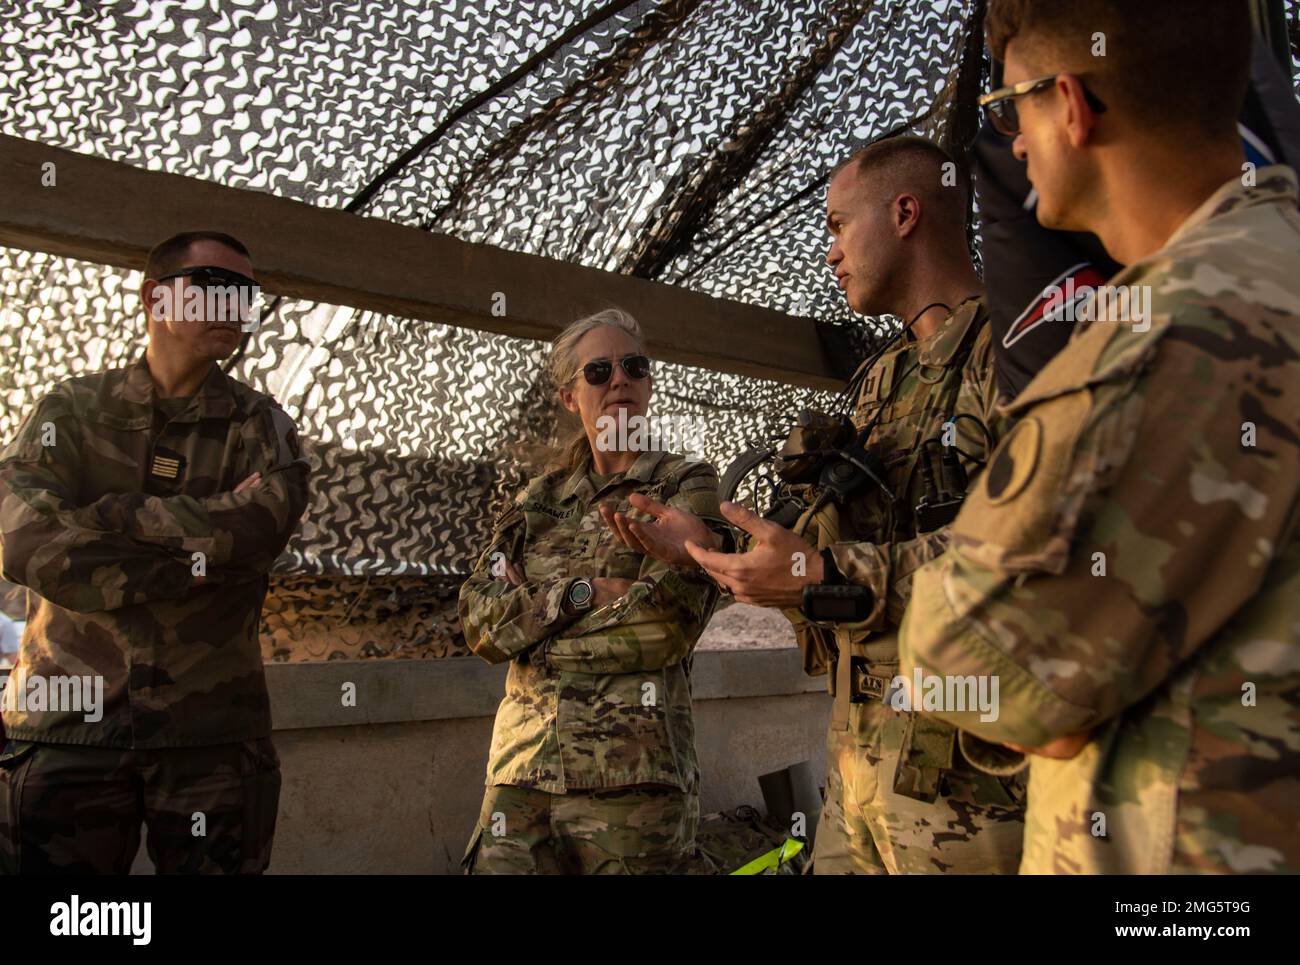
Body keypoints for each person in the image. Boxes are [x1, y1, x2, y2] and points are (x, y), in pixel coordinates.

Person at [900, 0, 1300, 873]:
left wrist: (1053, 691)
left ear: (1072, 105)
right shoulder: (1273, 264)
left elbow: (962, 657)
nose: (1013, 141)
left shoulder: (1173, 334)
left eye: (1012, 106)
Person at [604, 137, 1026, 874]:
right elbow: (815, 553)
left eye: (838, 225)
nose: (830, 252)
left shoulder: (1016, 355)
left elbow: (1028, 558)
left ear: (904, 214)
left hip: (968, 790)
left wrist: (824, 575)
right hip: (858, 768)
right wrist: (707, 548)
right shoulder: (880, 380)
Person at [0, 230, 309, 874]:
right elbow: (23, 542)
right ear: (154, 298)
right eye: (215, 287)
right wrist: (203, 537)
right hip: (68, 727)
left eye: (247, 293)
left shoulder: (261, 424)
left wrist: (99, 520)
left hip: (209, 736)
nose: (236, 306)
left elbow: (257, 535)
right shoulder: (71, 410)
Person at [458, 308, 728, 874]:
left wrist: (533, 632)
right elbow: (480, 623)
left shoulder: (685, 485)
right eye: (599, 371)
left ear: (649, 383)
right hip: (520, 778)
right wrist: (582, 595)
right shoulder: (538, 499)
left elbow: (664, 627)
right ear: (568, 397)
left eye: (634, 366)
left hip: (634, 786)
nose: (620, 380)